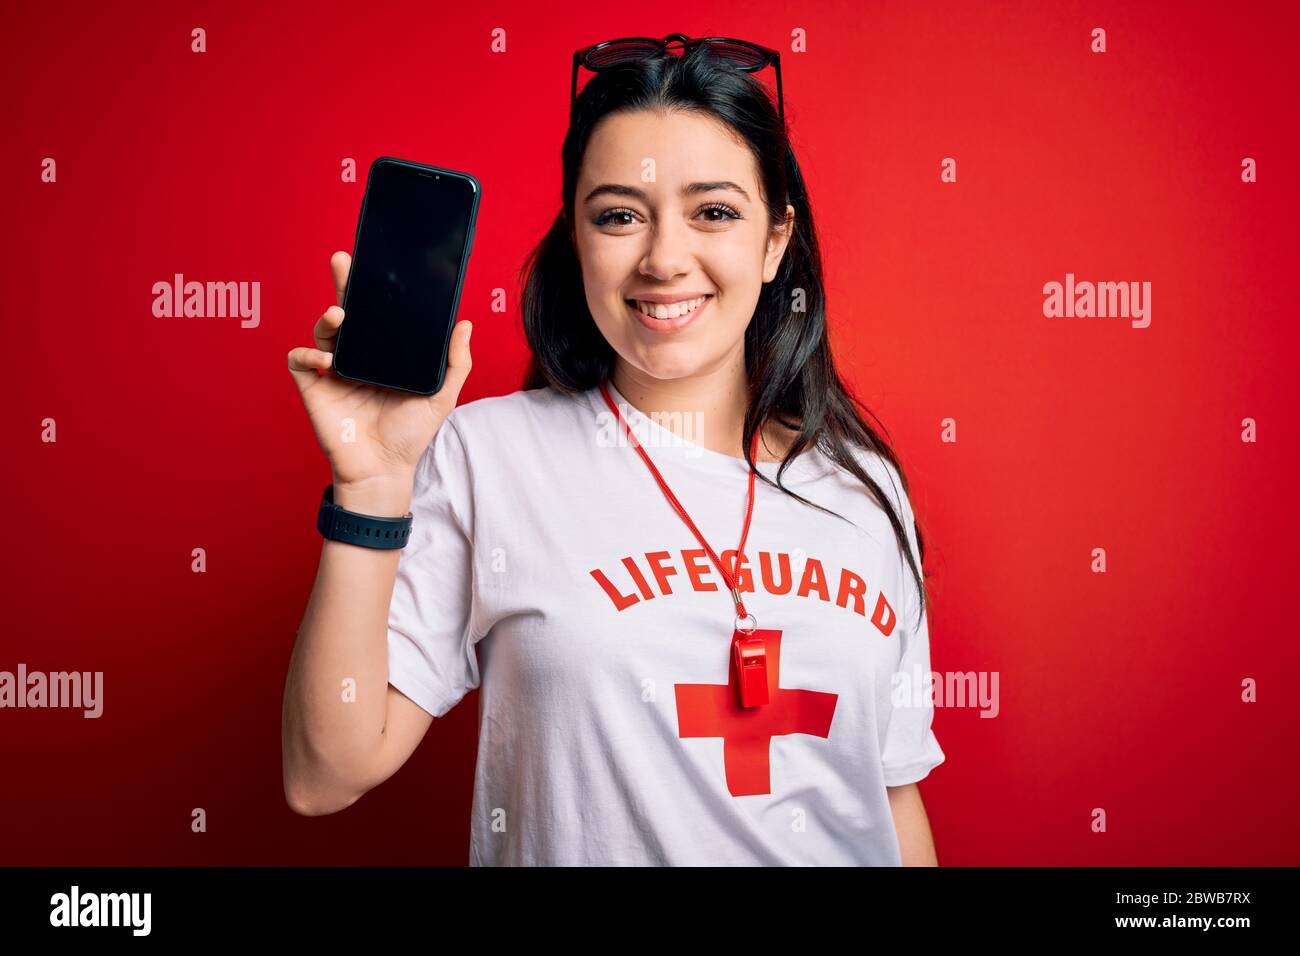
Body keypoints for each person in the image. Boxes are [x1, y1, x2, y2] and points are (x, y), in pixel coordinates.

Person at [282, 33, 944, 866]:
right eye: (620, 215)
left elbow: (889, 796)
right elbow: (323, 773)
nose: (666, 259)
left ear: (776, 241)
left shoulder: (863, 488)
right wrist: (370, 487)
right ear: (579, 242)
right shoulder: (491, 459)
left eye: (715, 211)